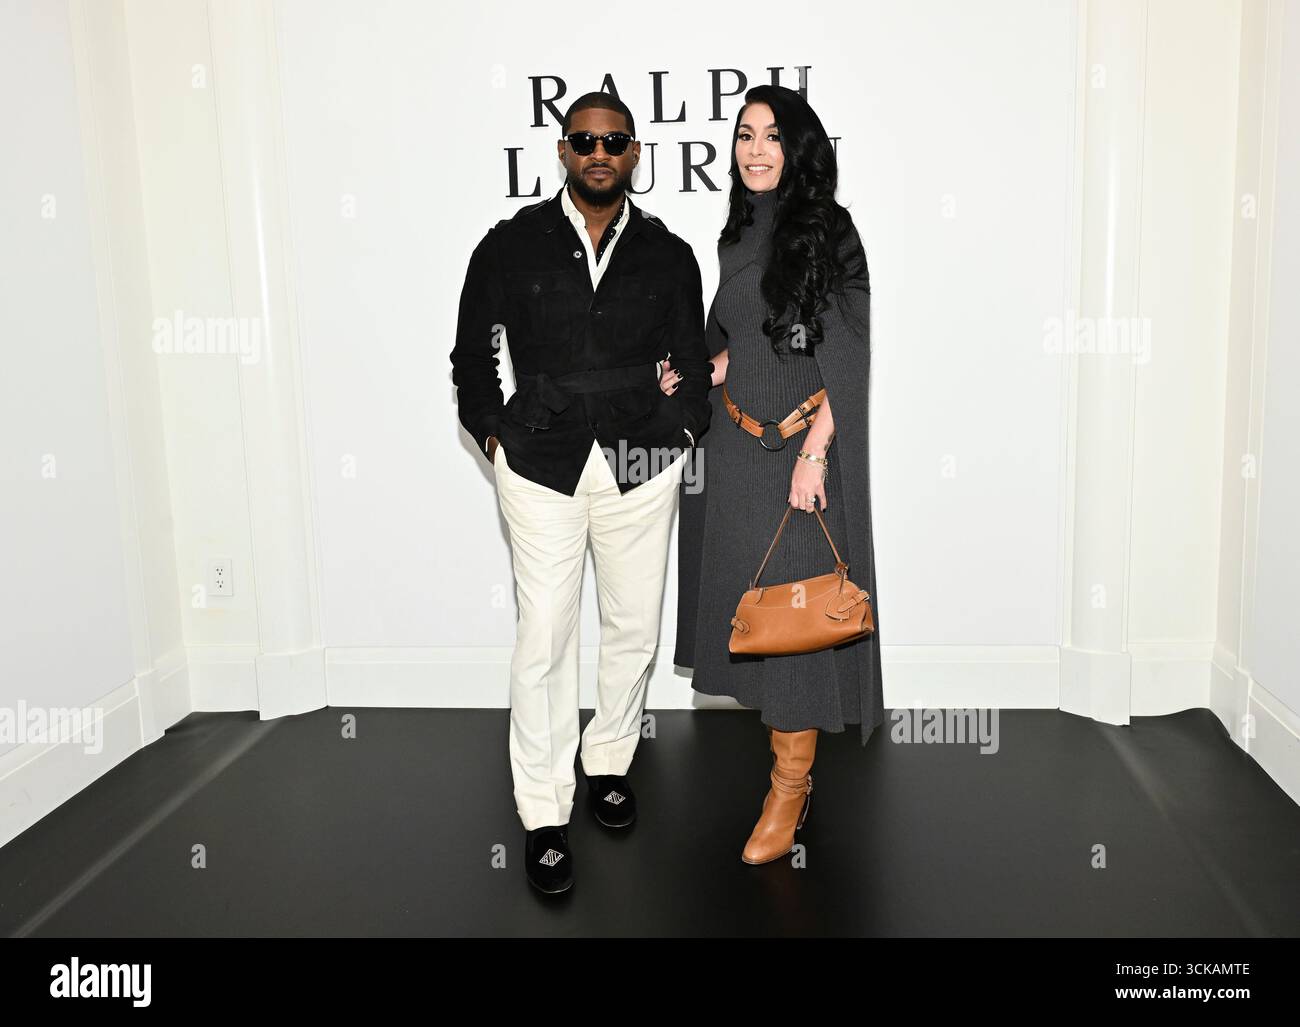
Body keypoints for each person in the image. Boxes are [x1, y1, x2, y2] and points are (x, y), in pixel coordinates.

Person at [451, 91, 713, 893]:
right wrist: (496, 434)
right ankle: (543, 808)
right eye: (585, 139)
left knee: (632, 625)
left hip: (641, 458)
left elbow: (695, 364)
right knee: (546, 637)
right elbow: (470, 357)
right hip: (539, 464)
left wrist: (683, 431)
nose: (600, 151)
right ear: (564, 150)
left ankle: (608, 761)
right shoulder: (509, 244)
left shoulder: (669, 253)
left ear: (634, 153)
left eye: (615, 140)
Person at [667, 84, 884, 864]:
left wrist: (817, 451)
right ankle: (786, 770)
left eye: (771, 136)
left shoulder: (832, 231)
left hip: (796, 457)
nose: (755, 149)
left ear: (798, 148)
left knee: (795, 631)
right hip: (732, 453)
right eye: (744, 135)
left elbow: (848, 358)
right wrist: (714, 365)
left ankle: (788, 792)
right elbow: (752, 335)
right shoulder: (733, 234)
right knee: (752, 614)